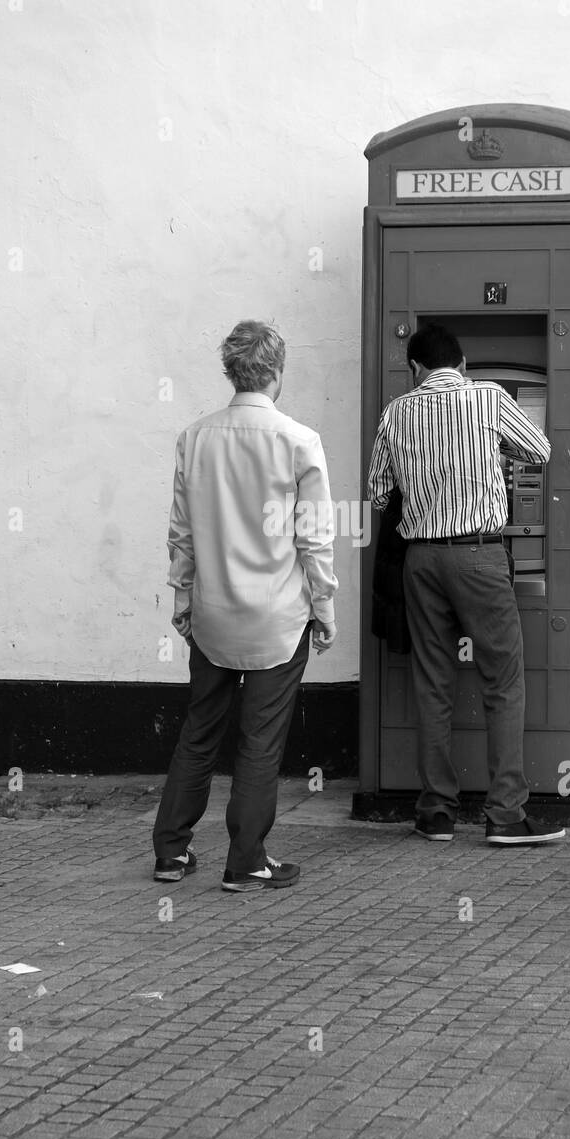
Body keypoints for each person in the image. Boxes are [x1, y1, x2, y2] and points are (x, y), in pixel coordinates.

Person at [152, 320, 338, 892]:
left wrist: (183, 600)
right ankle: (247, 859)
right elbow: (314, 537)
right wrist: (324, 605)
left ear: (231, 371)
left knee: (199, 730)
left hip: (212, 614)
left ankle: (171, 853)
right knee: (260, 741)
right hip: (277, 620)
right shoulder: (299, 441)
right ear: (277, 371)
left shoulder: (195, 437)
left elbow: (181, 534)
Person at [366, 322, 566, 848]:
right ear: (461, 361)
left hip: (422, 560)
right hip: (479, 555)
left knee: (433, 686)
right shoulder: (490, 397)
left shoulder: (396, 412)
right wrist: (496, 460)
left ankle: (435, 812)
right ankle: (504, 815)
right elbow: (540, 452)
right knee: (502, 682)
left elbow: (379, 493)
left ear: (416, 368)